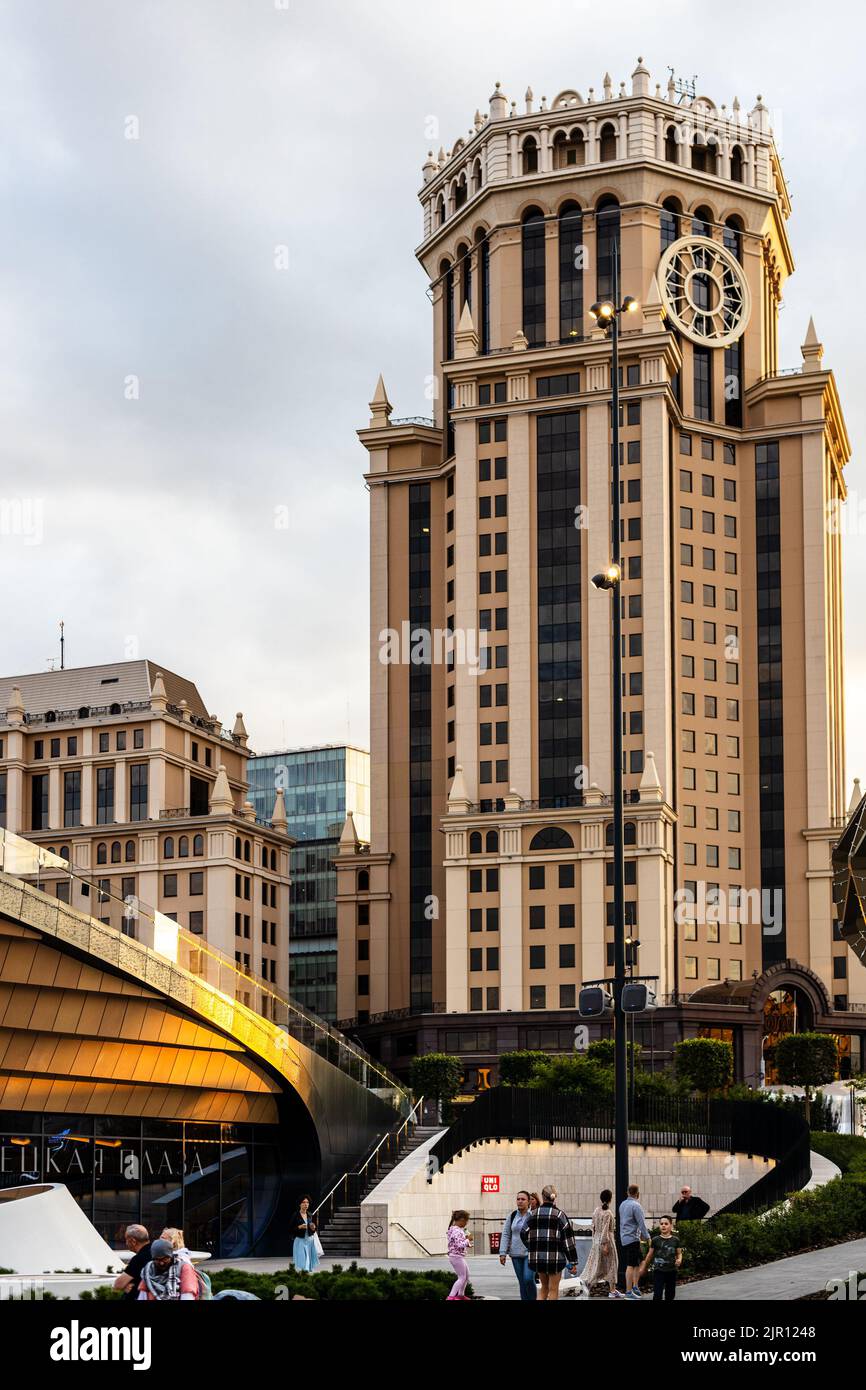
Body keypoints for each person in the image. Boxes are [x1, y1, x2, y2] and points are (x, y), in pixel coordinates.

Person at [522, 1184, 579, 1301]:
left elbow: (523, 1233)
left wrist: (532, 1246)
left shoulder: (533, 1214)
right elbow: (568, 1240)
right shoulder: (559, 1215)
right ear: (554, 1197)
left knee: (543, 1288)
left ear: (542, 1197)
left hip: (539, 1258)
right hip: (555, 1259)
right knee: (553, 1289)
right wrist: (573, 1261)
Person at [580, 1189, 619, 1299]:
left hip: (597, 1241)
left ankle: (588, 1282)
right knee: (612, 1264)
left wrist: (596, 1241)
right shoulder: (608, 1213)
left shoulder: (596, 1210)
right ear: (610, 1199)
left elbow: (593, 1227)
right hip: (606, 1241)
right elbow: (606, 1230)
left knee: (596, 1265)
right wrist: (605, 1244)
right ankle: (612, 1290)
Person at [498, 1190, 536, 1301]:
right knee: (522, 1282)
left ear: (529, 1202)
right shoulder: (512, 1215)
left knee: (528, 1279)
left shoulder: (533, 1215)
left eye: (523, 1199)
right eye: (518, 1199)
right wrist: (502, 1253)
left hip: (530, 1253)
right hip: (515, 1254)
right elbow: (506, 1234)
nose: (520, 1201)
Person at [637, 1214, 683, 1301]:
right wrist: (644, 1267)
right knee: (657, 1295)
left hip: (672, 1271)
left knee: (670, 1294)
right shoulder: (655, 1240)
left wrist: (679, 1259)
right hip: (659, 1271)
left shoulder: (675, 1240)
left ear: (671, 1225)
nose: (663, 1226)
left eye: (666, 1224)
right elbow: (649, 1255)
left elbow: (679, 1253)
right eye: (661, 1224)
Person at [619, 1183, 650, 1300]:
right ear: (638, 1194)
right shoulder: (636, 1206)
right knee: (631, 1265)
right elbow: (641, 1223)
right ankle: (628, 1291)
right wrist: (647, 1237)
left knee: (638, 1262)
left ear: (628, 1192)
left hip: (625, 1238)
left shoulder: (622, 1204)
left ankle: (635, 1286)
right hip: (632, 1238)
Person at [113, 1224, 151, 1301]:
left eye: (126, 1240)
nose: (126, 1243)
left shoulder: (139, 1259)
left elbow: (118, 1284)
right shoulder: (156, 1251)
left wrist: (125, 1287)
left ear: (133, 1241)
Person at [446, 1209, 473, 1300]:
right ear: (461, 1220)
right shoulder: (457, 1231)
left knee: (466, 1276)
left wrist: (467, 1243)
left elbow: (458, 1243)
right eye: (466, 1221)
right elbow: (459, 1245)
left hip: (457, 1256)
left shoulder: (455, 1229)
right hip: (456, 1256)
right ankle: (451, 1296)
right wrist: (468, 1240)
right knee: (462, 1277)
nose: (466, 1223)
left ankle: (460, 1295)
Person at [292, 1196, 321, 1272]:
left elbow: (313, 1230)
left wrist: (313, 1228)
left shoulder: (310, 1215)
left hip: (310, 1241)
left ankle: (306, 1275)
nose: (306, 1204)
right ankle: (303, 1274)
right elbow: (290, 1229)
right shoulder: (295, 1215)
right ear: (300, 1204)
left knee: (308, 1261)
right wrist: (299, 1227)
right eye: (304, 1202)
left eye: (307, 1202)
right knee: (302, 1260)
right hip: (300, 1240)